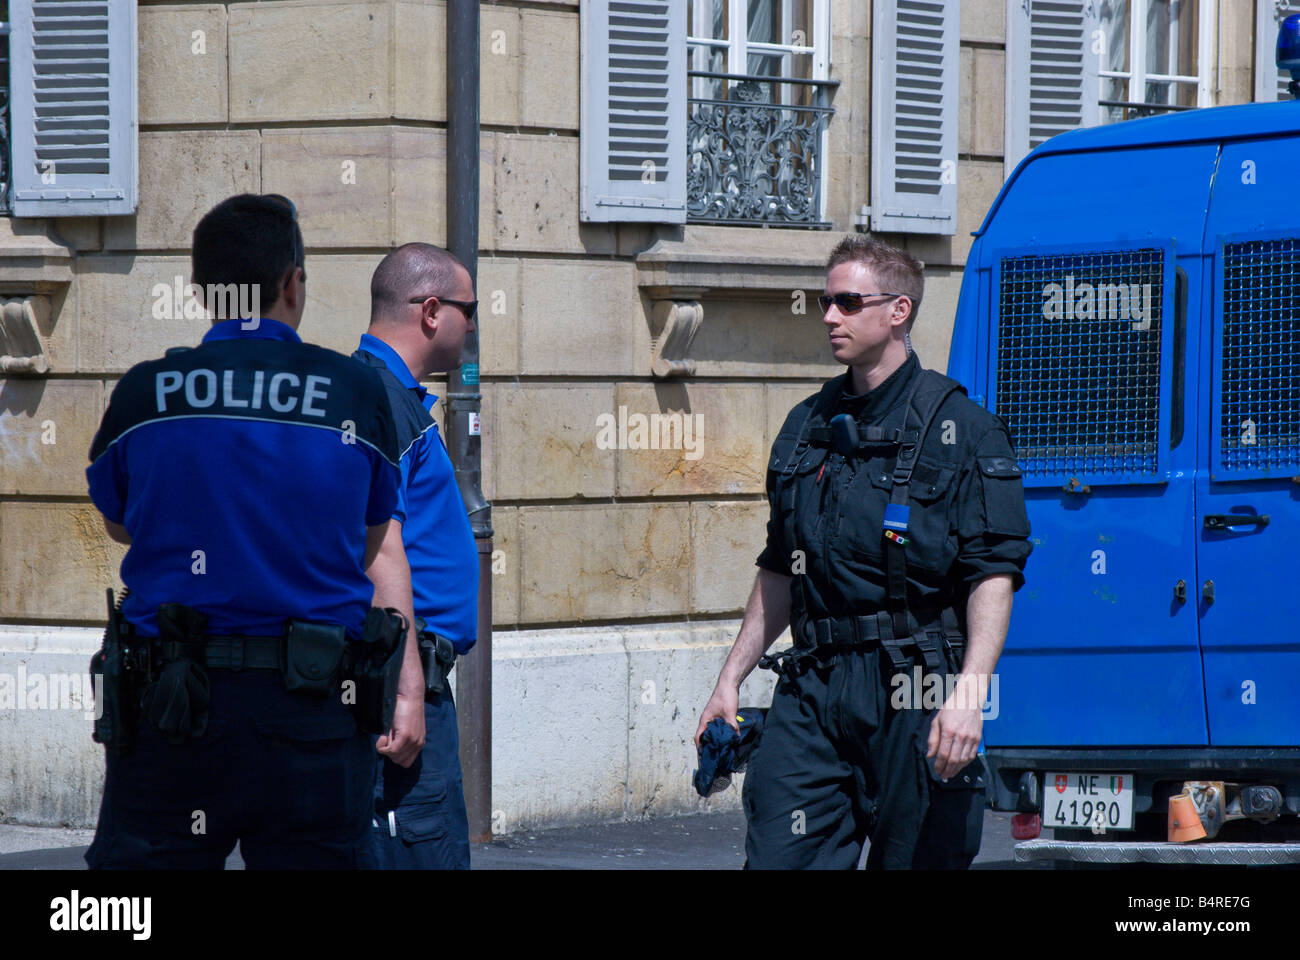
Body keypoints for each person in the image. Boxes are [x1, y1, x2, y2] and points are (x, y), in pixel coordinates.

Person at [83, 193, 426, 869]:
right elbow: (366, 542)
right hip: (311, 713)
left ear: (201, 290)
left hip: (173, 710)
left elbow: (120, 522)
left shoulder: (144, 394)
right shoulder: (354, 394)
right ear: (291, 283)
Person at [695, 235, 1032, 869]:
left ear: (898, 310)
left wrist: (970, 694)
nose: (828, 316)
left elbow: (993, 571)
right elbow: (780, 567)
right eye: (827, 301)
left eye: (848, 302)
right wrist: (730, 678)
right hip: (816, 685)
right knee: (777, 856)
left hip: (915, 684)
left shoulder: (964, 428)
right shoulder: (805, 426)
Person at [353, 243, 479, 869]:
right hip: (401, 683)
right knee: (419, 852)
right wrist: (406, 694)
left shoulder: (384, 394)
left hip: (403, 675)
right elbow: (381, 553)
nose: (474, 325)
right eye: (469, 309)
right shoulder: (382, 401)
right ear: (432, 311)